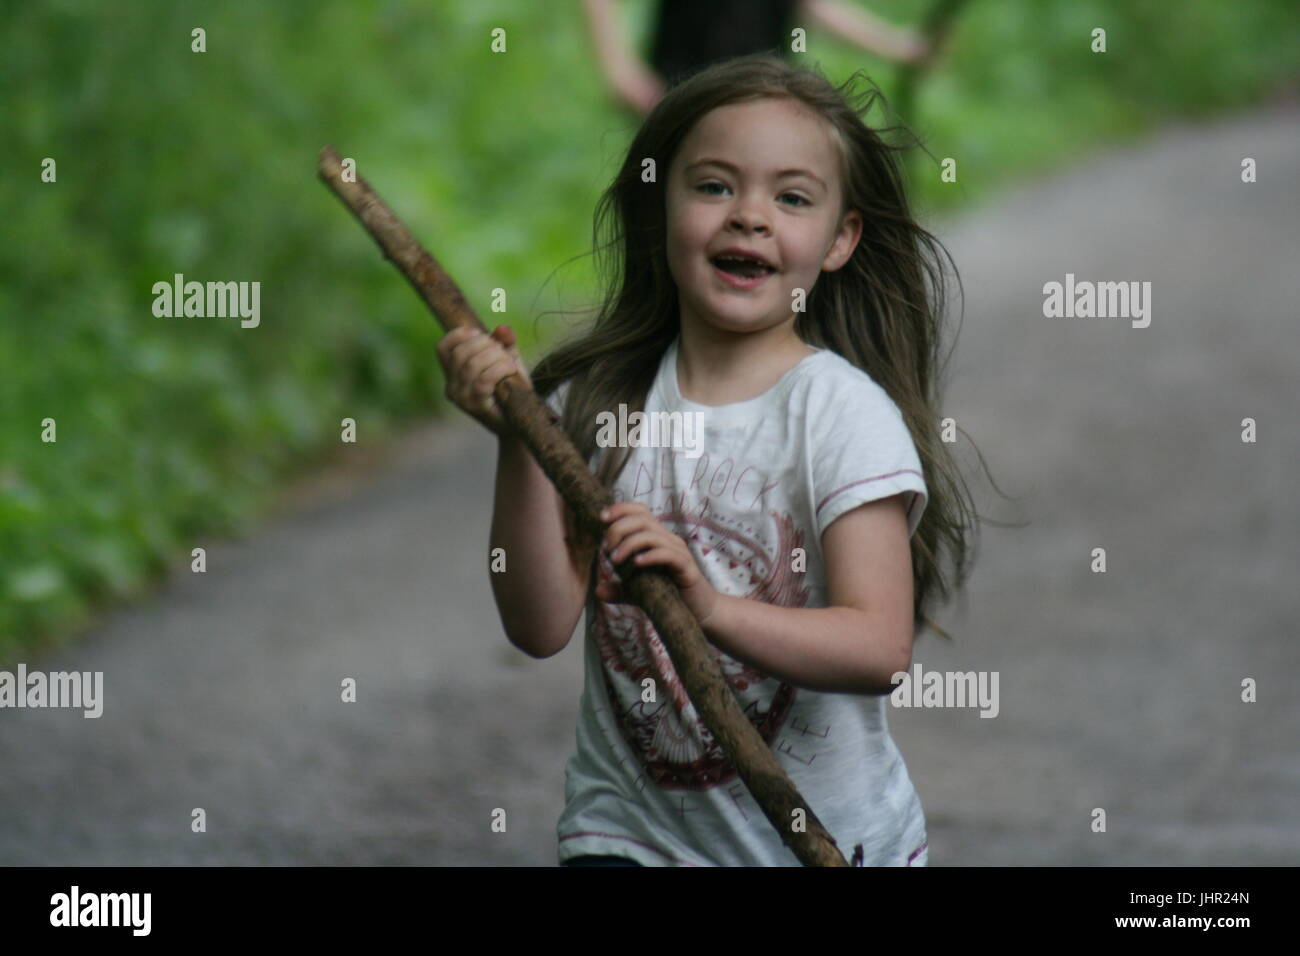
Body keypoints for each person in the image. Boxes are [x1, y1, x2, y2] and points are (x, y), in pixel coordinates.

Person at [436, 53, 981, 866]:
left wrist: (712, 609)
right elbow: (539, 625)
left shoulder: (840, 416)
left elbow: (878, 649)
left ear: (839, 240)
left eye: (791, 198)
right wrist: (521, 435)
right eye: (715, 186)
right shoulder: (602, 402)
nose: (749, 217)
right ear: (663, 210)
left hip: (817, 842)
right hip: (629, 834)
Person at [582, 0, 935, 117]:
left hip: (767, 97)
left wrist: (895, 46)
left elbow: (811, 4)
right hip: (680, 97)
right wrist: (620, 68)